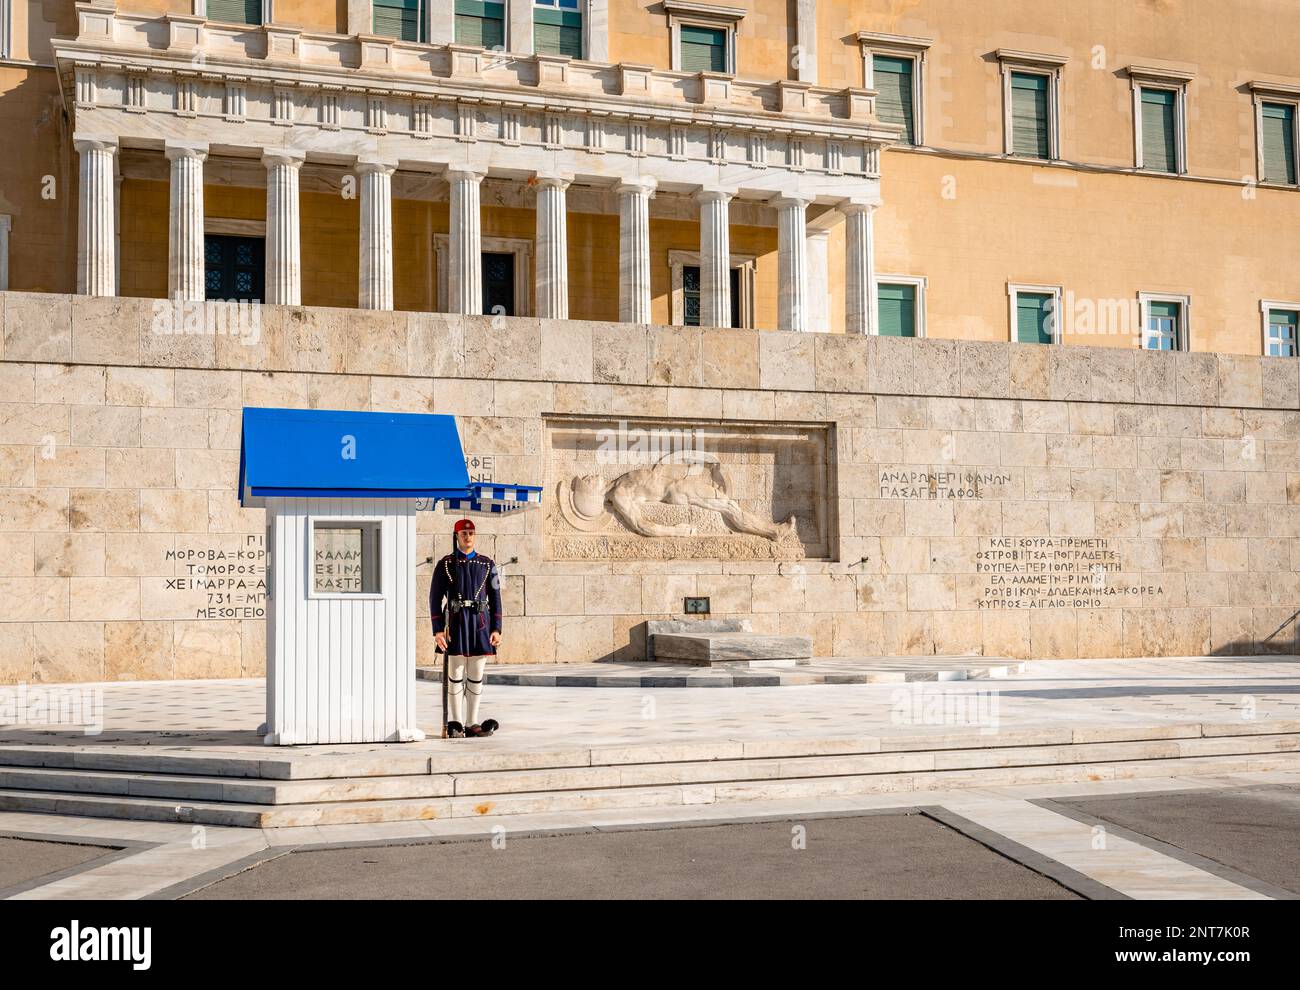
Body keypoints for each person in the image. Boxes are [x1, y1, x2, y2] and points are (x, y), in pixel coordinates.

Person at [430, 518, 502, 738]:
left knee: (476, 674)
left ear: (475, 536)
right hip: (456, 623)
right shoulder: (446, 564)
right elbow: (434, 598)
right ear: (456, 536)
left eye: (470, 533)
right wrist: (438, 629)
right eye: (463, 533)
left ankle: (472, 722)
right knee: (455, 673)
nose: (467, 537)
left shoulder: (488, 564)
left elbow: (496, 597)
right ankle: (456, 722)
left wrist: (496, 628)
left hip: (480, 623)